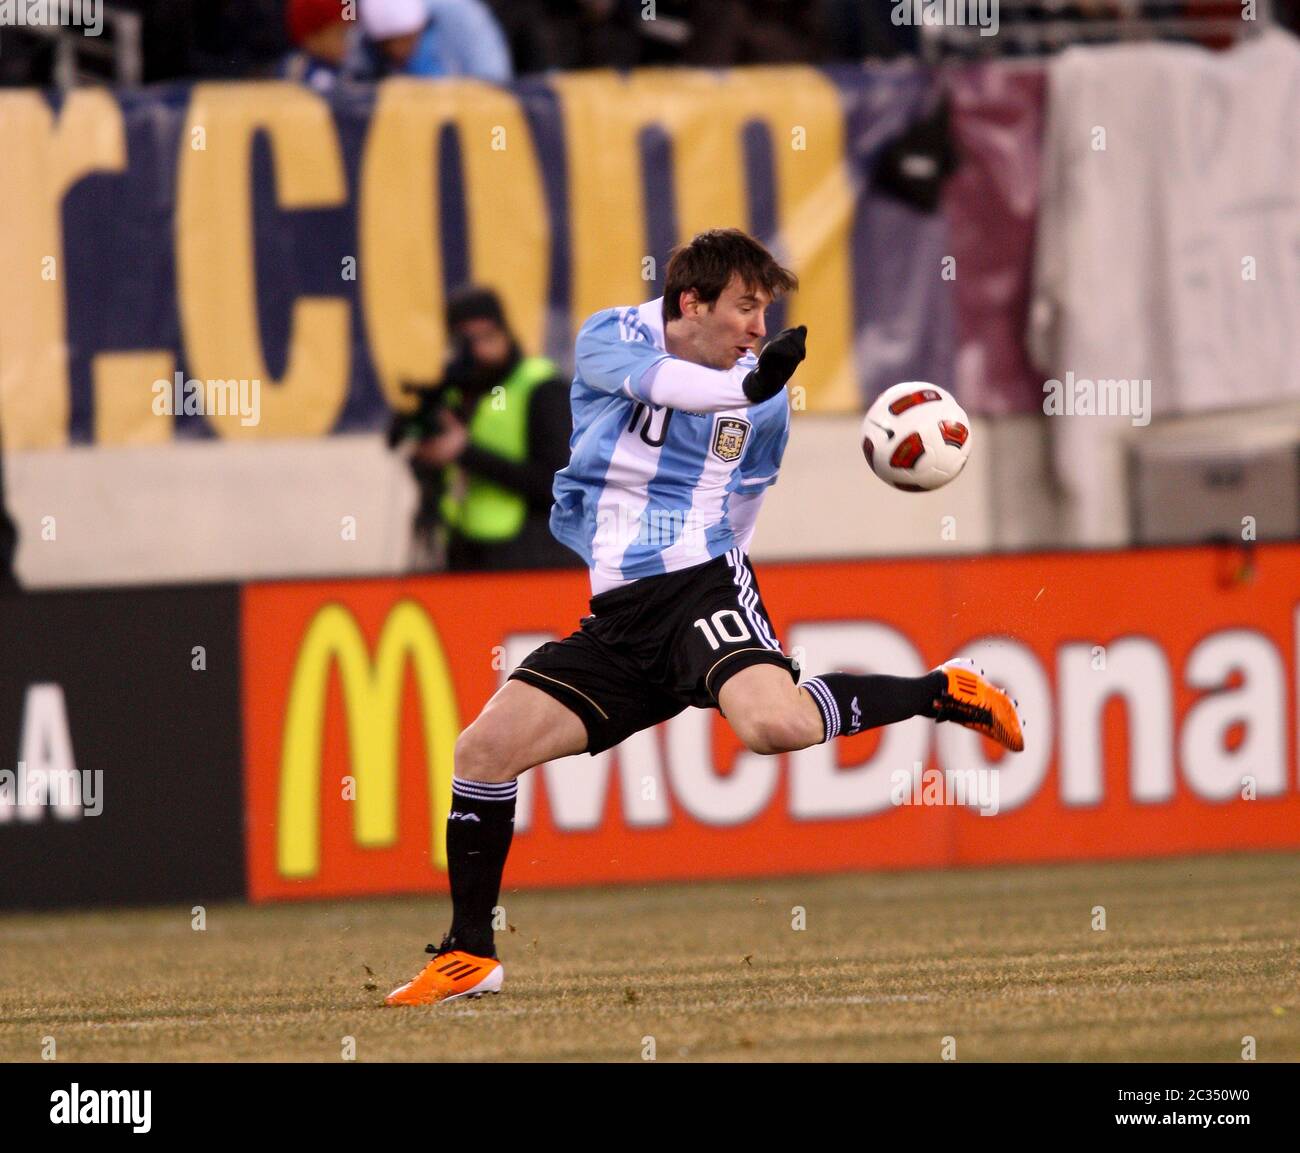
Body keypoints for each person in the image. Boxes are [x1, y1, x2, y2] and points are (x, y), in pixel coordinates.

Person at [384, 228, 1025, 1006]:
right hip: (619, 617)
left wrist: (737, 595)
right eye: (746, 307)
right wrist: (751, 391)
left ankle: (940, 688)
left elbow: (746, 499)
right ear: (691, 302)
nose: (760, 328)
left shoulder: (761, 399)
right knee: (483, 750)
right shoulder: (614, 336)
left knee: (773, 727)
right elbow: (667, 386)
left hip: (702, 586)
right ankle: (469, 954)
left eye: (766, 310)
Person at [392, 286, 580, 572]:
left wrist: (466, 453)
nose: (480, 350)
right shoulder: (456, 394)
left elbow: (559, 484)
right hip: (464, 552)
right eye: (467, 341)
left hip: (532, 557)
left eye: (487, 336)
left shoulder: (540, 387)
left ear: (504, 331)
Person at [359, 0, 512, 81]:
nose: (396, 50)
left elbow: (494, 82)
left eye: (404, 39)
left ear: (419, 27)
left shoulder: (463, 18)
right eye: (386, 43)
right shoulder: (364, 46)